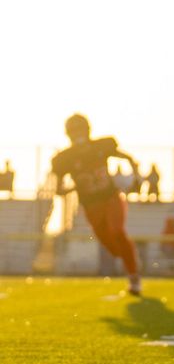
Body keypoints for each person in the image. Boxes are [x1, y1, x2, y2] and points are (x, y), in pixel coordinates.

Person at [50, 114, 143, 295]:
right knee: (112, 247)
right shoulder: (65, 158)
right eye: (74, 131)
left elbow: (128, 158)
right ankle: (129, 256)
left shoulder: (101, 146)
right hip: (91, 206)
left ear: (87, 130)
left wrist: (136, 176)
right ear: (68, 134)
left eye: (80, 130)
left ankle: (134, 277)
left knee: (118, 231)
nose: (78, 134)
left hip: (110, 198)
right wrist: (75, 187)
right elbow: (58, 190)